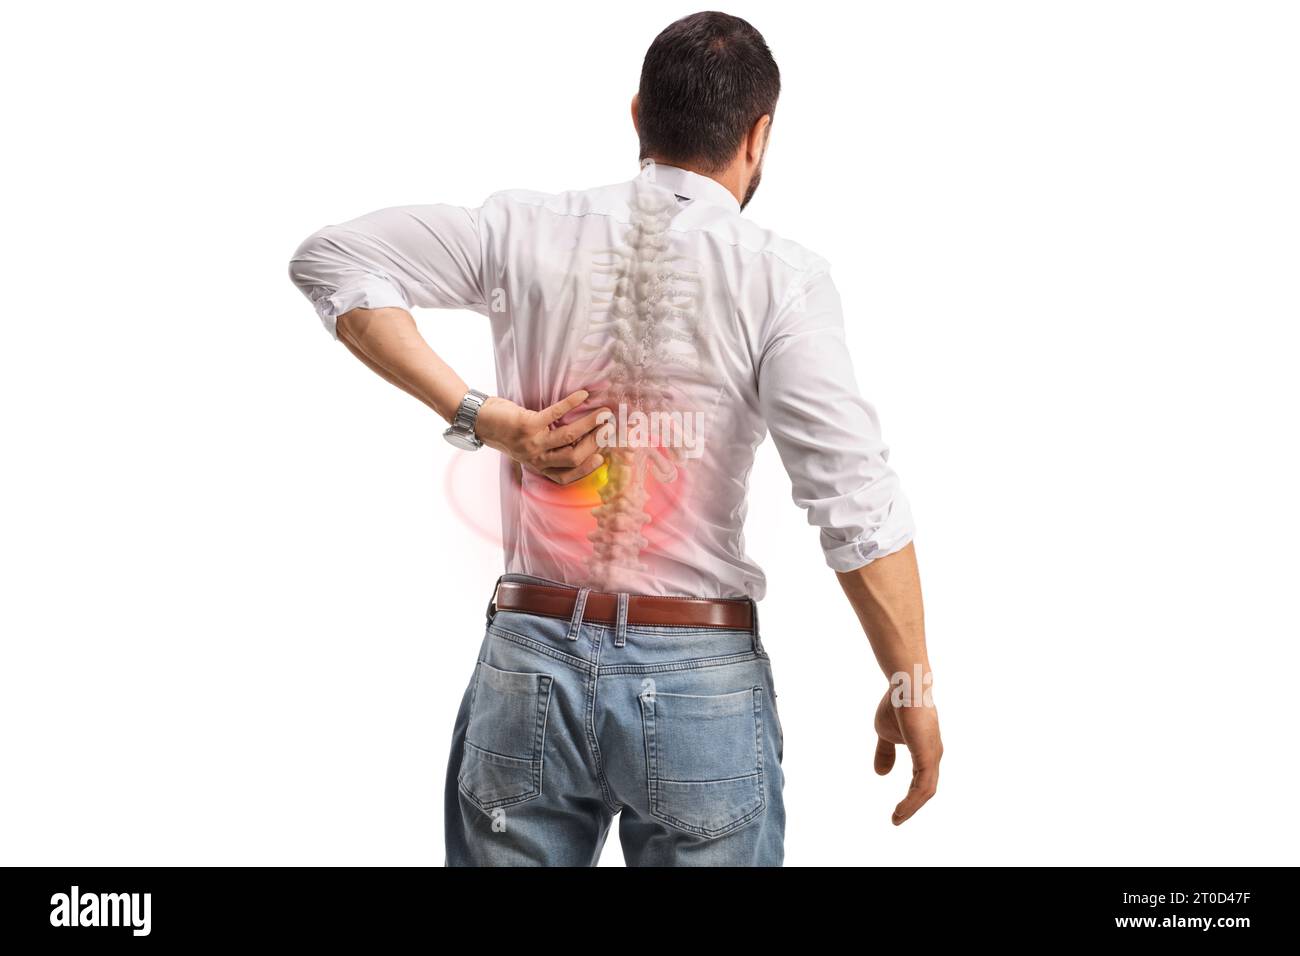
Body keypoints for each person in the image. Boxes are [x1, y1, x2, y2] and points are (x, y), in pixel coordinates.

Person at [287, 10, 941, 866]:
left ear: (638, 115)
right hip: (700, 682)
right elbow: (854, 500)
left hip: (529, 667)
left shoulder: (524, 229)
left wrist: (486, 417)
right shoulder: (781, 279)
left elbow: (331, 258)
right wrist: (910, 683)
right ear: (760, 135)